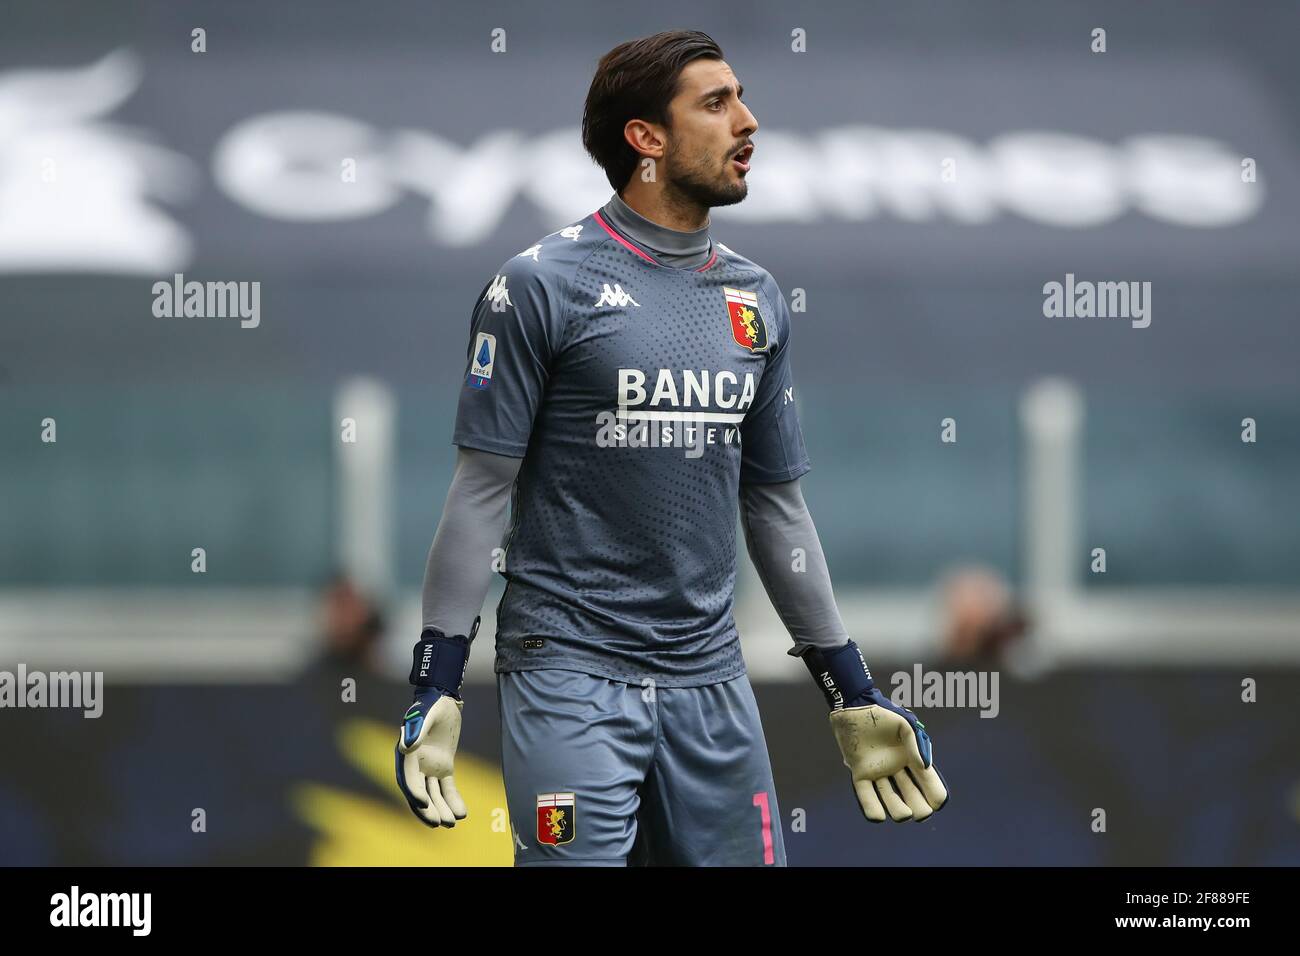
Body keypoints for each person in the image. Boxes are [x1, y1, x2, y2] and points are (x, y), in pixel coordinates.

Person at [394, 30, 948, 866]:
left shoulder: (755, 297)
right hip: (568, 670)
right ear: (646, 139)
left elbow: (775, 506)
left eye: (742, 98)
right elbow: (479, 493)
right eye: (716, 103)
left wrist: (850, 689)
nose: (748, 122)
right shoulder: (539, 285)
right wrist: (435, 679)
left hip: (711, 678)